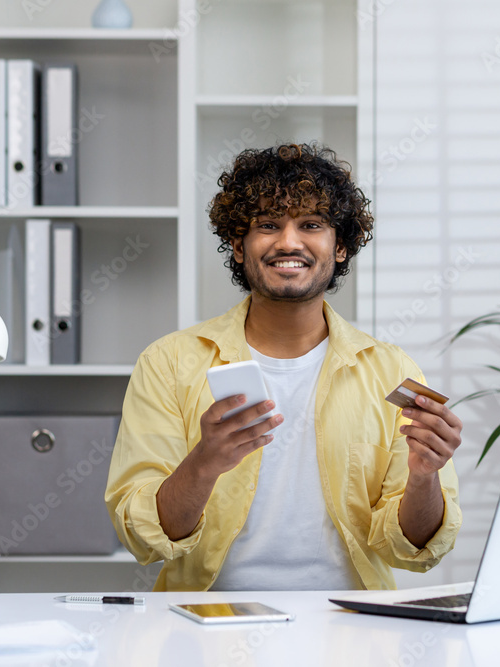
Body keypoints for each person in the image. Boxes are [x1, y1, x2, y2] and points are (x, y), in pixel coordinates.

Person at [105, 143, 462, 592]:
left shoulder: (390, 370)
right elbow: (142, 539)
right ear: (238, 246)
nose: (288, 242)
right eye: (268, 225)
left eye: (311, 225)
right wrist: (203, 464)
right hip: (204, 628)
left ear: (342, 248)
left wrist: (424, 477)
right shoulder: (168, 362)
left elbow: (410, 550)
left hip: (351, 630)